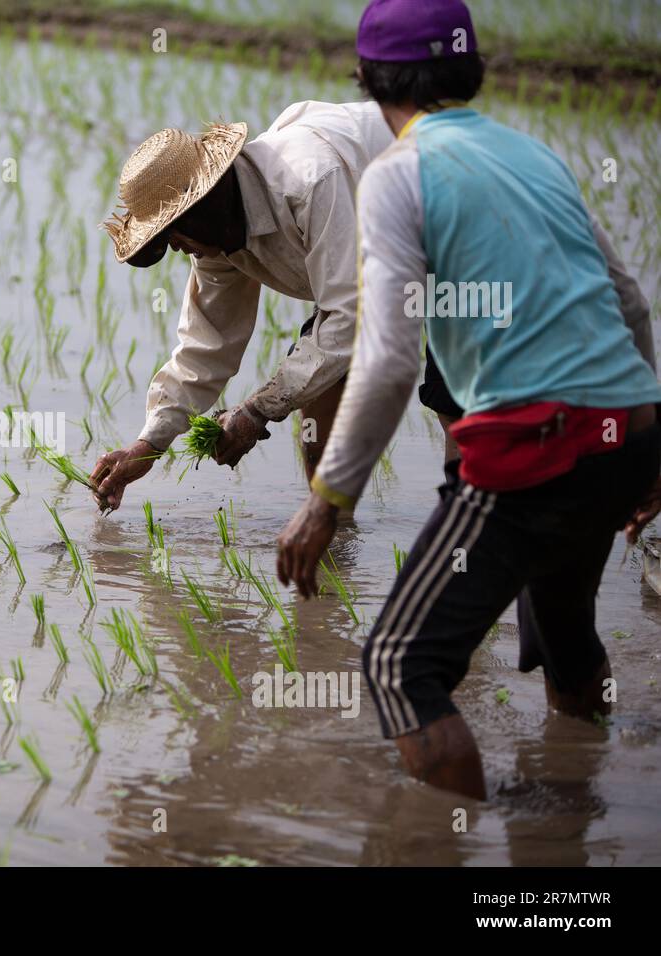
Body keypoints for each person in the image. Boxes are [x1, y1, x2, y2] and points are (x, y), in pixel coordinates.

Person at [275, 0, 661, 800]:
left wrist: (326, 500)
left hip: (535, 450)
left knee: (398, 666)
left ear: (370, 78)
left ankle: (458, 849)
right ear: (469, 68)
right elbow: (628, 301)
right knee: (564, 632)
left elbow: (385, 359)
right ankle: (563, 831)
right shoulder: (534, 154)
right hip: (626, 435)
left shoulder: (397, 175)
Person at [91, 99, 402, 511]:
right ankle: (334, 538)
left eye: (172, 232)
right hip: (366, 277)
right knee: (319, 397)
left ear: (205, 203)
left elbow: (353, 317)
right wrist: (147, 446)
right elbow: (207, 347)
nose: (177, 248)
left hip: (456, 233)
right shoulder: (215, 239)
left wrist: (256, 411)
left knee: (457, 403)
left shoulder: (310, 182)